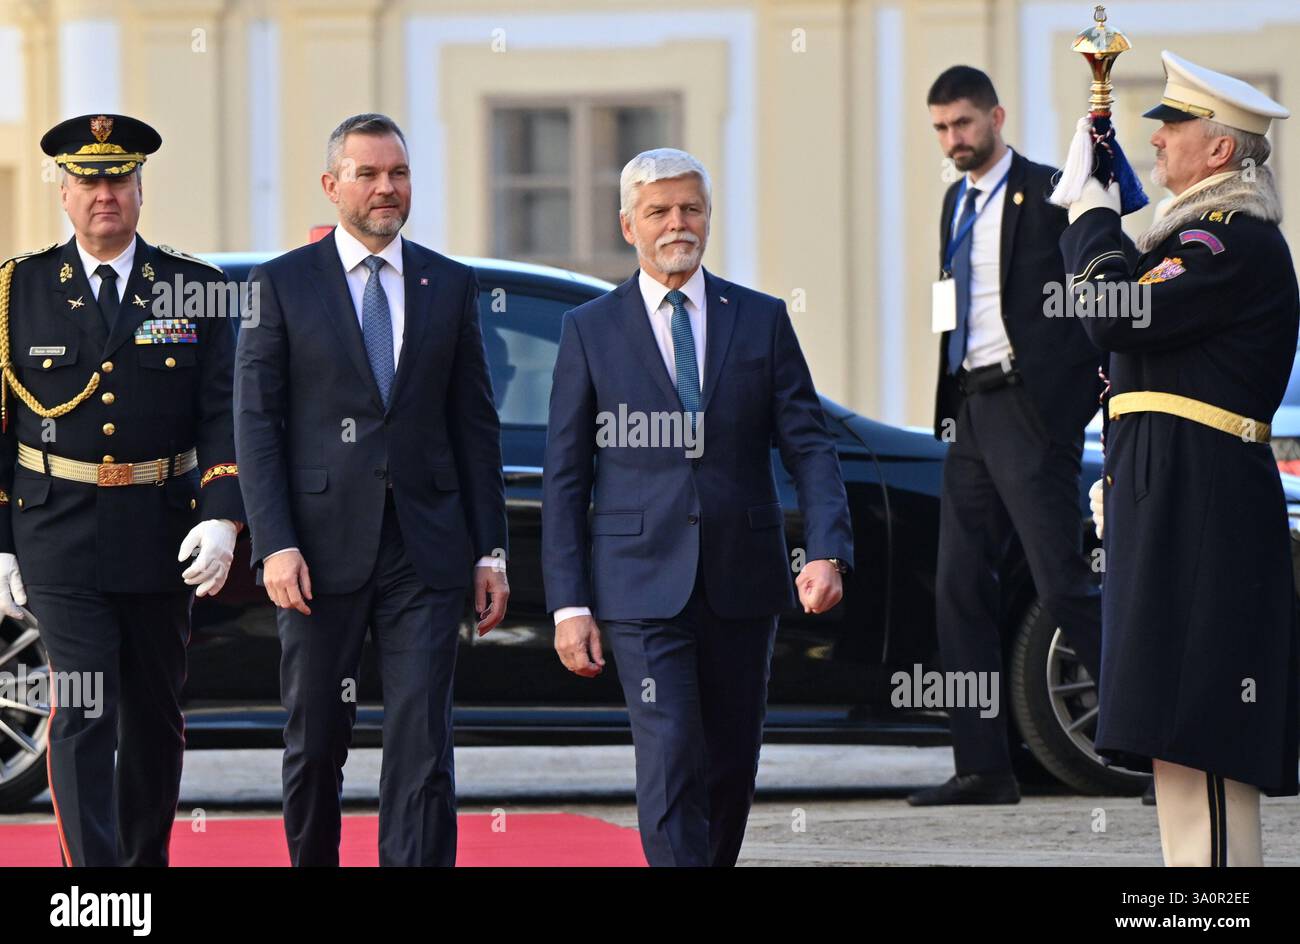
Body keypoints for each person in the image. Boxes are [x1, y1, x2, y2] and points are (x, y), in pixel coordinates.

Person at [542, 148, 853, 866]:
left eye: (690, 208)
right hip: (638, 585)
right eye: (659, 211)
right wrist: (568, 605)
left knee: (729, 764)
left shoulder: (760, 319)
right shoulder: (589, 329)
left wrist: (829, 549)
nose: (677, 223)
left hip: (743, 579)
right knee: (672, 750)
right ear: (629, 225)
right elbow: (565, 475)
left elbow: (809, 446)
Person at [234, 113, 509, 867]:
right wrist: (276, 544)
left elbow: (474, 427)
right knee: (317, 737)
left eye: (399, 173)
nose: (387, 188)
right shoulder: (280, 284)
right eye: (368, 173)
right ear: (332, 186)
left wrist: (491, 551)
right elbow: (255, 424)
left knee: (423, 740)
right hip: (317, 553)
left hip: (425, 550)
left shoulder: (448, 284)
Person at [1064, 51, 1297, 866]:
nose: (1155, 144)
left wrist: (1093, 220)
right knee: (1168, 720)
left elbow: (1111, 314)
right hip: (1166, 494)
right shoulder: (1190, 240)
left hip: (1205, 502)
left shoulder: (1233, 243)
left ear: (1222, 150)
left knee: (1207, 723)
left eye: (1173, 128)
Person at [0, 113, 244, 866]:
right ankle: (98, 887)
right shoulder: (16, 289)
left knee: (153, 714)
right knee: (80, 706)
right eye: (87, 180)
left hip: (160, 526)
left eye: (117, 179)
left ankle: (144, 869)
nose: (103, 193)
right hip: (56, 531)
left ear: (140, 189)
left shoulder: (196, 287)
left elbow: (223, 411)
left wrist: (224, 517)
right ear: (63, 194)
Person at [910, 67, 1109, 807]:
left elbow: (1100, 295)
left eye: (962, 123)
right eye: (939, 128)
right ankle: (982, 767)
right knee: (960, 588)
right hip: (969, 409)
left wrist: (1068, 408)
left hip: (1031, 410)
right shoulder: (952, 202)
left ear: (996, 115)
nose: (952, 140)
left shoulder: (1053, 192)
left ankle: (1158, 750)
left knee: (1062, 582)